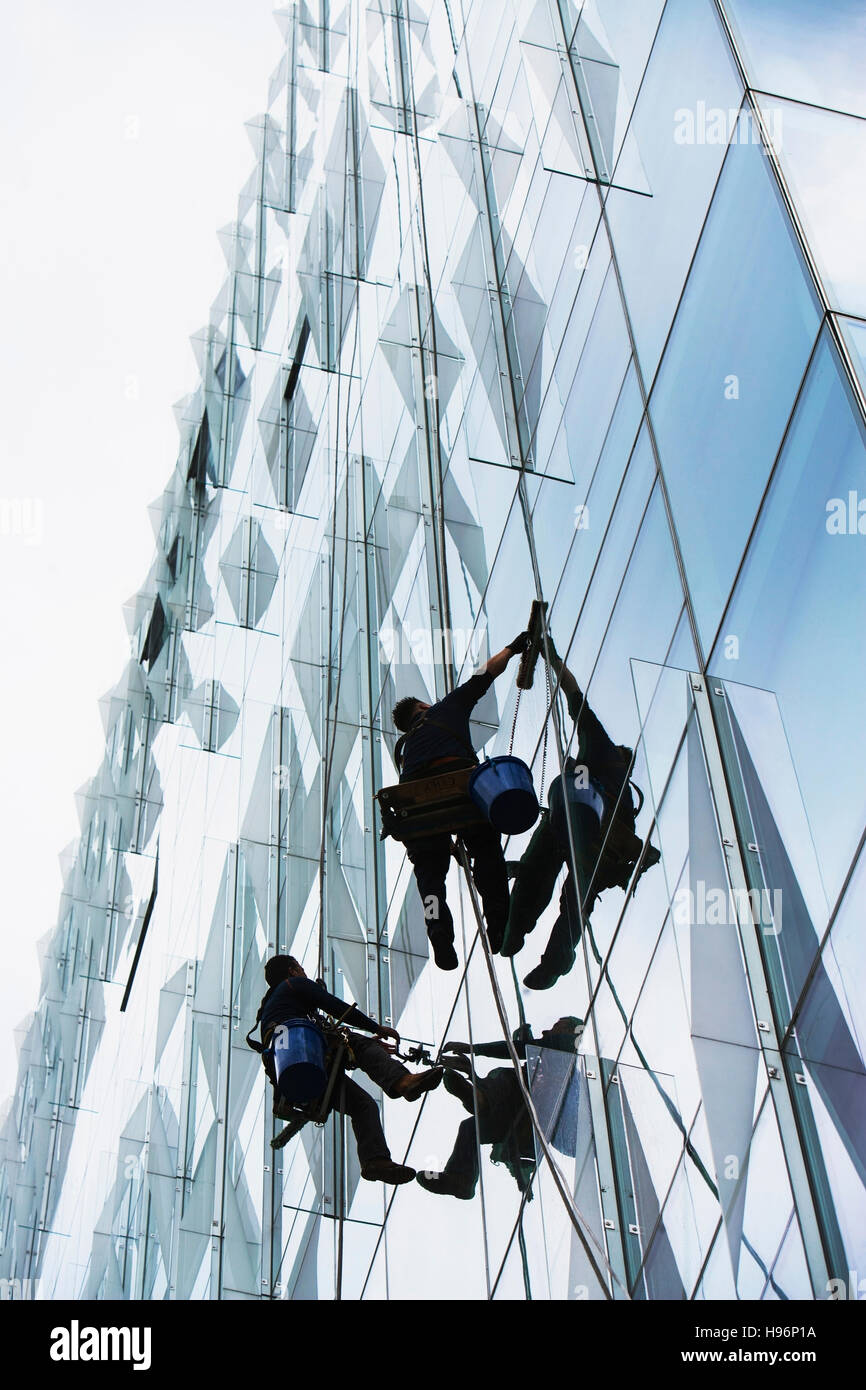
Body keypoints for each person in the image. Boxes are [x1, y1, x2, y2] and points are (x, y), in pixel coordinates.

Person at [501, 635, 659, 989]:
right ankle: (548, 958)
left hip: (574, 809)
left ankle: (514, 932)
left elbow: (576, 700)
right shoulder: (625, 800)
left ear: (622, 758)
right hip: (585, 824)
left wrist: (552, 658)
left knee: (536, 875)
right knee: (575, 900)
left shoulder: (602, 755)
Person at [391, 631, 531, 970]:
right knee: (487, 858)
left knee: (429, 876)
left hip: (419, 808)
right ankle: (498, 925)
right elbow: (484, 675)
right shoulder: (444, 709)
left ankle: (437, 929)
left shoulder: (405, 748)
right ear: (423, 707)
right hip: (461, 790)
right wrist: (514, 647)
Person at [253, 955, 443, 1185]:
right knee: (352, 1039)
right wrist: (375, 1028)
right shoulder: (293, 985)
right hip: (303, 1058)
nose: (304, 973)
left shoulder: (278, 1008)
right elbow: (336, 1007)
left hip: (296, 1072)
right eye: (301, 969)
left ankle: (375, 1161)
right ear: (293, 971)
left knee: (364, 1106)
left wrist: (370, 1045)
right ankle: (402, 1082)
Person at [415, 1017, 584, 1200]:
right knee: (470, 1128)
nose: (546, 1032)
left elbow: (517, 1049)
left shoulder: (567, 1046)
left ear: (569, 1030)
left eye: (555, 1026)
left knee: (509, 1077)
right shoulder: (555, 1062)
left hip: (548, 1119)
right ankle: (461, 1180)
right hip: (529, 1118)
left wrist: (474, 1049)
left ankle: (479, 1098)